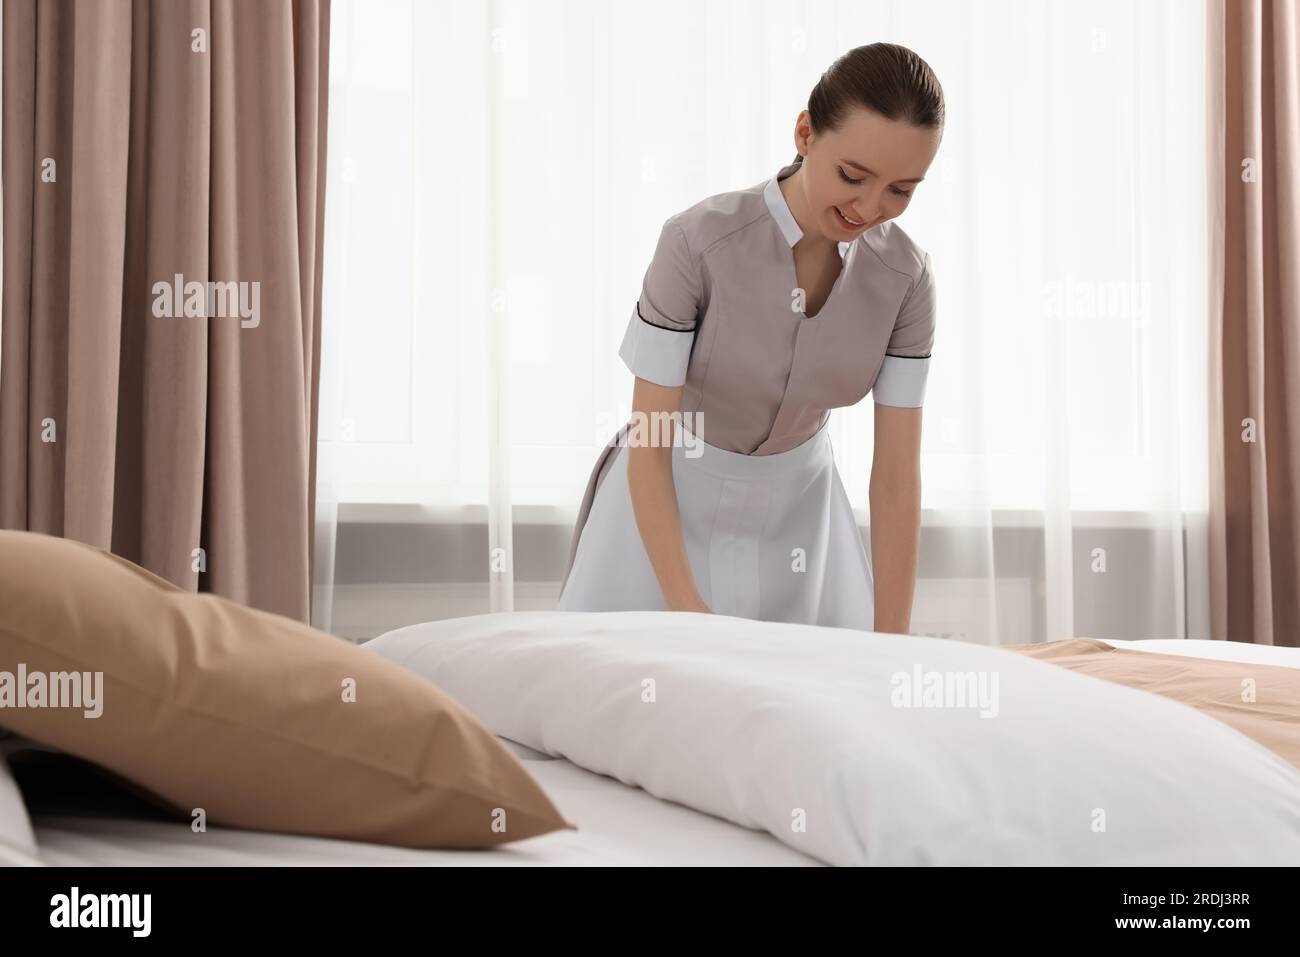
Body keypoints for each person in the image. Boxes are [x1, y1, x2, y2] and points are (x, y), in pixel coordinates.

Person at [557, 42, 943, 633]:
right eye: (853, 176)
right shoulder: (696, 243)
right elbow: (651, 439)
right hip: (665, 507)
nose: (870, 207)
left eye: (901, 190)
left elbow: (895, 478)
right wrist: (689, 609)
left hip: (802, 517)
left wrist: (892, 644)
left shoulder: (905, 279)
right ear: (806, 133)